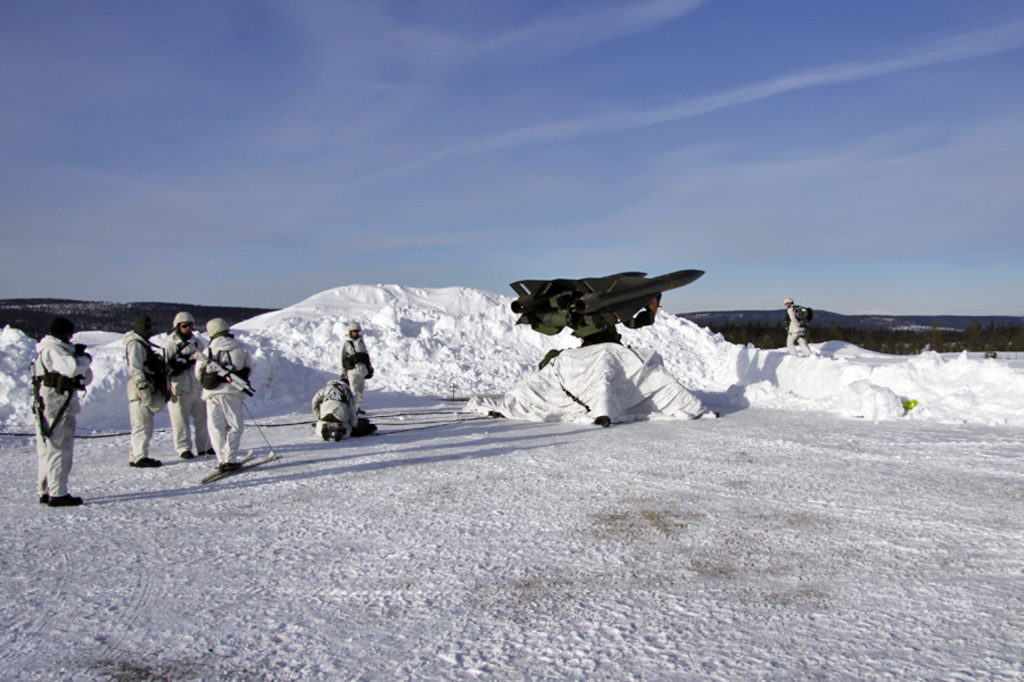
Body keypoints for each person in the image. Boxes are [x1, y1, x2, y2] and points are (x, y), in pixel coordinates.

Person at [31, 317, 93, 507]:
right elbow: (72, 368)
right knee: (60, 450)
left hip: (47, 405)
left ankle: (46, 490)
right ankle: (58, 493)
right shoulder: (54, 350)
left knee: (47, 451)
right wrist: (84, 358)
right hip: (57, 407)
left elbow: (85, 378)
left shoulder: (48, 349)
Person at [195, 318, 254, 473]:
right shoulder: (240, 348)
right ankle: (230, 458)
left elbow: (198, 372)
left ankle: (221, 459)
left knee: (215, 427)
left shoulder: (207, 351)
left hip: (211, 393)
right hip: (232, 391)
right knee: (235, 426)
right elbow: (250, 367)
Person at [162, 312, 212, 459]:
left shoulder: (196, 342)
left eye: (190, 325)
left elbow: (205, 360)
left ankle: (205, 446)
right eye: (184, 326)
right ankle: (183, 448)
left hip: (196, 386)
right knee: (180, 420)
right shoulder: (170, 343)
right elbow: (165, 367)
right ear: (178, 326)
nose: (188, 328)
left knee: (202, 418)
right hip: (178, 387)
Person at [123, 314, 168, 467]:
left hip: (144, 388)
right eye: (148, 327)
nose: (150, 331)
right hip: (139, 390)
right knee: (142, 425)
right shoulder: (135, 344)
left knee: (142, 424)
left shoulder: (141, 344)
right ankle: (140, 457)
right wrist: (143, 388)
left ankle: (135, 455)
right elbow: (135, 369)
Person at [339, 321, 373, 413]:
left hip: (361, 370)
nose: (355, 333)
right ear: (350, 331)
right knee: (353, 390)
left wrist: (369, 367)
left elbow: (365, 355)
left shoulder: (361, 341)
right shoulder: (346, 342)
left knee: (360, 391)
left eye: (357, 331)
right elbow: (341, 357)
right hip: (352, 370)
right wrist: (342, 371)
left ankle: (357, 407)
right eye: (354, 331)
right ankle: (352, 408)